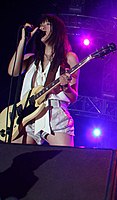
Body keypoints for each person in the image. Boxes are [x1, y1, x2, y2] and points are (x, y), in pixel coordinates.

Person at [7, 14, 80, 147]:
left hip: (54, 114)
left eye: (47, 24)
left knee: (65, 162)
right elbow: (12, 71)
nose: (42, 27)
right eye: (41, 24)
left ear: (57, 30)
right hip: (26, 117)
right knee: (17, 160)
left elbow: (73, 97)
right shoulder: (31, 59)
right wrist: (24, 40)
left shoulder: (69, 58)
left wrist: (65, 87)